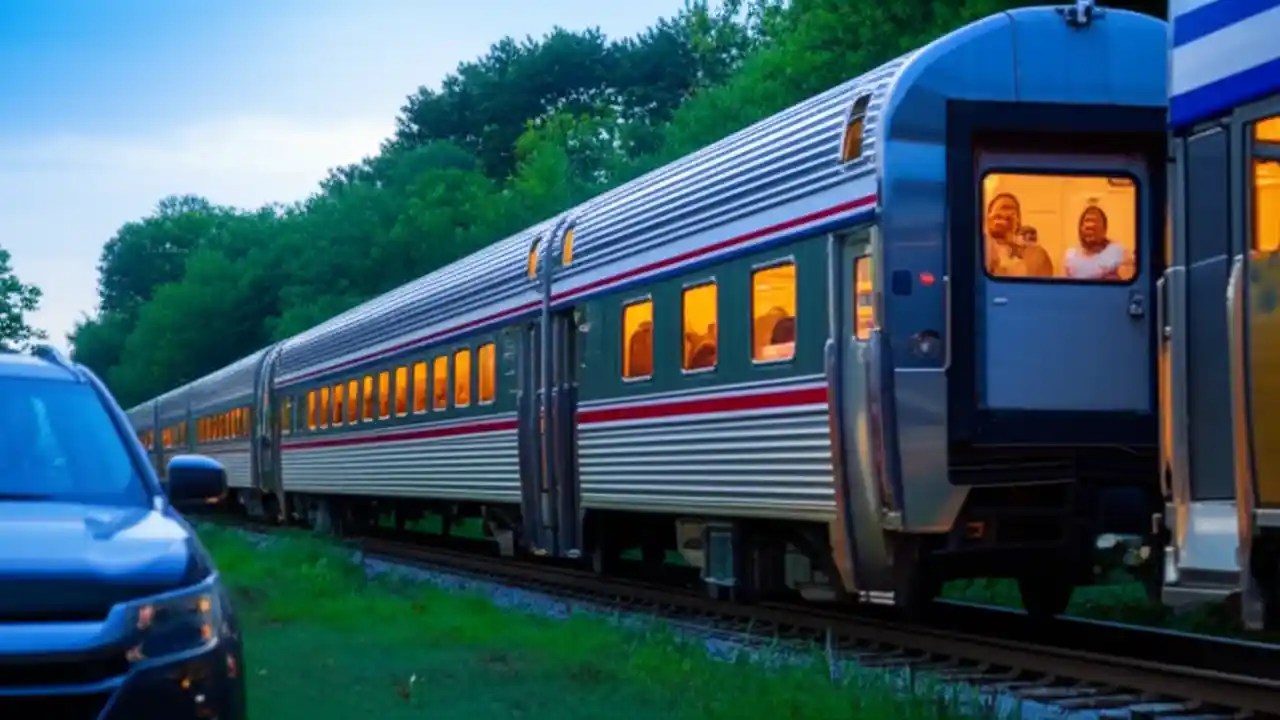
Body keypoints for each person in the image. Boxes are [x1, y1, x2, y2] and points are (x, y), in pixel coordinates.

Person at [984, 192, 1054, 278]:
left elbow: (1043, 286)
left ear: (1018, 220)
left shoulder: (1036, 254)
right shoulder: (980, 247)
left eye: (1010, 214)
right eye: (998, 216)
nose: (1004, 215)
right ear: (988, 219)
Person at [1064, 204, 1133, 280]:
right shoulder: (1070, 255)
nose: (1090, 225)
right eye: (1087, 222)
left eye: (1095, 223)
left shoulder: (1118, 253)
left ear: (1104, 229)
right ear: (1080, 229)